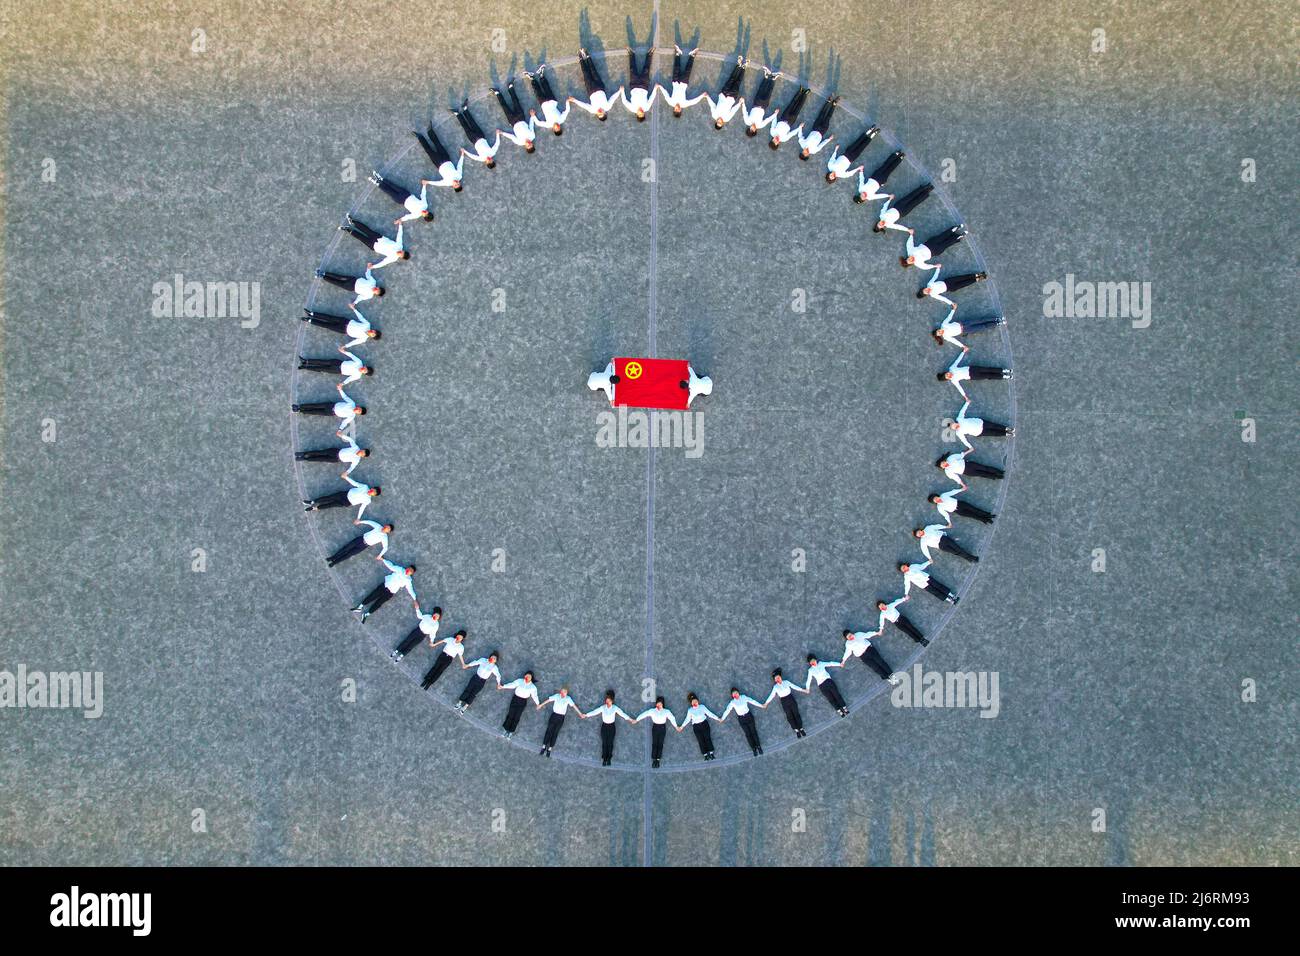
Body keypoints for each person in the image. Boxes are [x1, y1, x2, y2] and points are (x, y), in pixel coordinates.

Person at [351, 560, 415, 622]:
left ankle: (366, 614)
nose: (408, 570)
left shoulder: (408, 580)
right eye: (408, 568)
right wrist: (383, 559)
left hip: (390, 593)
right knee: (372, 595)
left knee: (378, 603)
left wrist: (414, 599)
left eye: (410, 571)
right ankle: (359, 607)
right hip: (384, 586)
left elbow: (410, 589)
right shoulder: (400, 570)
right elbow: (391, 566)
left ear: (411, 573)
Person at [583, 690, 633, 766]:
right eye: (607, 699)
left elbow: (622, 714)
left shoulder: (615, 708)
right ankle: (604, 758)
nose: (607, 701)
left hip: (611, 727)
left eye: (609, 700)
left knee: (610, 743)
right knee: (604, 742)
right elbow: (594, 712)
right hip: (604, 726)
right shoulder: (603, 707)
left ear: (612, 701)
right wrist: (586, 715)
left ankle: (609, 758)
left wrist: (630, 719)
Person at [571, 48, 622, 121]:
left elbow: (584, 105)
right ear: (605, 113)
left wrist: (574, 100)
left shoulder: (592, 110)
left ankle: (581, 58)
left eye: (599, 114)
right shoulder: (607, 107)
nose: (600, 112)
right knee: (593, 71)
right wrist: (619, 91)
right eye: (602, 113)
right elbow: (613, 98)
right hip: (599, 87)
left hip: (590, 89)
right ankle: (587, 55)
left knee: (586, 73)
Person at [939, 352, 1012, 399]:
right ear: (948, 379)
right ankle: (1004, 376)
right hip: (972, 376)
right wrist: (965, 396)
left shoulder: (952, 368)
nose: (949, 375)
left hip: (972, 369)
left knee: (987, 369)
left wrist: (963, 352)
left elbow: (957, 361)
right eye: (948, 377)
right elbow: (959, 387)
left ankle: (1004, 371)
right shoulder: (954, 380)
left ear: (946, 372)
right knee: (988, 376)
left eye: (947, 374)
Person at [657, 44, 705, 116]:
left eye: (675, 109)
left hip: (675, 82)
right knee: (688, 69)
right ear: (680, 110)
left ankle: (678, 53)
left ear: (674, 109)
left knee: (676, 68)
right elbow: (693, 101)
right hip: (683, 83)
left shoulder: (671, 102)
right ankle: (692, 55)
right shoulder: (684, 104)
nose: (677, 108)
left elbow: (665, 94)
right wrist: (702, 96)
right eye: (678, 110)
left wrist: (660, 87)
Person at [291, 382, 364, 429]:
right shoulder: (352, 404)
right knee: (315, 406)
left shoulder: (351, 416)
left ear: (358, 413)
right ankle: (299, 406)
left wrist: (340, 429)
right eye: (359, 409)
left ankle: (299, 411)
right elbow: (345, 397)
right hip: (331, 405)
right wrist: (340, 390)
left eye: (359, 411)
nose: (357, 410)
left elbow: (345, 422)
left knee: (315, 412)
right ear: (358, 406)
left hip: (331, 413)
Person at [413, 123, 464, 190]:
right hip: (446, 159)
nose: (456, 183)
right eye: (458, 183)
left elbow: (437, 183)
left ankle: (420, 137)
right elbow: (460, 166)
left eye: (456, 185)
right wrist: (462, 155)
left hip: (438, 163)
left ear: (453, 186)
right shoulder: (459, 176)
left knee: (428, 150)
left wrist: (428, 182)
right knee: (438, 144)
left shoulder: (447, 183)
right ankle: (430, 131)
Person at [302, 474, 379, 518]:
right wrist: (346, 477)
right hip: (345, 494)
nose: (372, 491)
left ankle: (314, 508)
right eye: (373, 490)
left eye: (374, 493)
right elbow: (355, 483)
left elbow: (362, 508)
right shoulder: (365, 487)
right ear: (372, 488)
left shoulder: (368, 500)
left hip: (347, 502)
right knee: (329, 497)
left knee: (330, 505)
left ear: (374, 495)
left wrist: (358, 518)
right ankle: (312, 502)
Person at [367, 171, 432, 223]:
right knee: (393, 185)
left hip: (401, 200)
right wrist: (424, 186)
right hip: (406, 194)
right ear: (428, 211)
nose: (425, 212)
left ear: (424, 216)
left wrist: (400, 220)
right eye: (427, 212)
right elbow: (423, 195)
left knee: (388, 191)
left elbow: (407, 217)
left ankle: (376, 182)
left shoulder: (416, 215)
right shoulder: (425, 205)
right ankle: (380, 178)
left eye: (425, 214)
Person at [451, 100, 501, 167]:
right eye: (491, 160)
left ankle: (457, 114)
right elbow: (497, 144)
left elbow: (472, 156)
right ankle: (465, 109)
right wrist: (498, 134)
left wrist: (464, 152)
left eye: (489, 161)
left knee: (465, 127)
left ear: (486, 163)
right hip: (481, 136)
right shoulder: (492, 152)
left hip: (473, 139)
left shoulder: (481, 158)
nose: (489, 159)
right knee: (472, 123)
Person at [301, 305, 380, 347]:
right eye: (373, 331)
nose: (371, 332)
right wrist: (354, 309)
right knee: (329, 318)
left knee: (326, 325)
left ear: (371, 336)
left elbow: (354, 342)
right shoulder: (367, 325)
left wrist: (345, 346)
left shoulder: (363, 339)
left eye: (372, 334)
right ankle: (312, 314)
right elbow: (361, 317)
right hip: (346, 321)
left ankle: (309, 320)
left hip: (343, 330)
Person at [633, 696, 680, 768]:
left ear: (662, 704)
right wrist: (637, 719)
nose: (658, 705)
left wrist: (676, 726)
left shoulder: (666, 711)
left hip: (662, 728)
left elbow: (672, 718)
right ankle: (654, 759)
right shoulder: (652, 711)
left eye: (660, 704)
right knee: (654, 743)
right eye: (657, 704)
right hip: (655, 727)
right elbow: (644, 714)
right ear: (656, 704)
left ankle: (658, 760)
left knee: (660, 743)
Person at [537, 686, 584, 757]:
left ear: (566, 693)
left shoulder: (568, 699)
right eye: (561, 692)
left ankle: (550, 749)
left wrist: (580, 713)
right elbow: (548, 700)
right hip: (554, 715)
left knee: (555, 732)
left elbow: (574, 706)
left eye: (564, 692)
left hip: (561, 717)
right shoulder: (556, 696)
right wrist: (541, 705)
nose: (562, 693)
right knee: (549, 730)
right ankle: (544, 746)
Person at [294, 430, 368, 475]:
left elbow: (352, 467)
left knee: (320, 459)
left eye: (362, 453)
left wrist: (346, 473)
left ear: (362, 456)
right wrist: (342, 435)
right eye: (362, 451)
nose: (361, 452)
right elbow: (350, 440)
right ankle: (303, 453)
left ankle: (304, 458)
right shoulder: (356, 448)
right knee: (320, 452)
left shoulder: (356, 460)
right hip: (335, 452)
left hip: (336, 459)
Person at [492, 81, 538, 151]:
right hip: (521, 117)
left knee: (505, 107)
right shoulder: (532, 136)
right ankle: (510, 87)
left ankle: (497, 93)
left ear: (526, 147)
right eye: (531, 145)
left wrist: (502, 133)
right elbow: (531, 126)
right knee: (516, 102)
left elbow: (512, 136)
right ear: (532, 144)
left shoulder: (519, 142)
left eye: (528, 146)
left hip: (513, 121)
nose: (529, 144)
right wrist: (532, 116)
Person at [764, 668, 810, 738]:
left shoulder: (786, 682)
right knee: (789, 716)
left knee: (796, 713)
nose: (777, 680)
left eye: (778, 678)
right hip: (784, 701)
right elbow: (771, 695)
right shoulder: (775, 687)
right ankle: (796, 730)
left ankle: (801, 728)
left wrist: (803, 690)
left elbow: (794, 687)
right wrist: (766, 703)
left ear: (780, 677)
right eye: (776, 679)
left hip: (791, 698)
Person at [327, 518, 391, 567]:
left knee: (349, 554)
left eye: (387, 528)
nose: (385, 528)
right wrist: (360, 522)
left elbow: (385, 547)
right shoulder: (378, 526)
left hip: (364, 546)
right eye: (386, 526)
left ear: (388, 531)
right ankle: (332, 558)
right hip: (360, 539)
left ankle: (334, 563)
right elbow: (369, 522)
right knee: (346, 548)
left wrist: (380, 555)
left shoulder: (384, 538)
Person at [719, 688, 765, 756]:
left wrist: (761, 705)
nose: (735, 694)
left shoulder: (743, 697)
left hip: (749, 716)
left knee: (754, 732)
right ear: (732, 695)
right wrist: (722, 718)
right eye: (733, 694)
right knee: (748, 734)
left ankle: (759, 747)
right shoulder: (733, 702)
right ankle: (754, 749)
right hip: (741, 719)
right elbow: (727, 710)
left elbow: (752, 701)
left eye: (736, 693)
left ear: (738, 693)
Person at [527, 65, 571, 134]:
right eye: (559, 127)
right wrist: (567, 102)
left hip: (544, 104)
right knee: (547, 88)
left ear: (553, 129)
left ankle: (532, 78)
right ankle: (541, 74)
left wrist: (533, 116)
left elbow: (538, 123)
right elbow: (567, 111)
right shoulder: (561, 119)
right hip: (552, 101)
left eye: (556, 128)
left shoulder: (548, 125)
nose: (557, 126)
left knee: (537, 91)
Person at [706, 55, 747, 128]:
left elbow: (712, 105)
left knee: (731, 79)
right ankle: (743, 67)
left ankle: (738, 65)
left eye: (718, 122)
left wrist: (707, 97)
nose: (719, 121)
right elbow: (733, 110)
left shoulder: (714, 115)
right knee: (738, 81)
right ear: (722, 123)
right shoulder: (727, 118)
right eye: (720, 123)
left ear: (716, 121)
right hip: (732, 97)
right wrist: (740, 103)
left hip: (724, 94)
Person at [933, 310, 1005, 350]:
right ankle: (997, 323)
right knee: (982, 327)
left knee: (980, 320)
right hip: (965, 330)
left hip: (963, 323)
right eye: (939, 334)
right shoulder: (946, 336)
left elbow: (948, 318)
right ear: (940, 336)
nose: (940, 332)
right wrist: (962, 346)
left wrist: (953, 310)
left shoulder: (943, 325)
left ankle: (996, 319)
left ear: (938, 329)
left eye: (938, 331)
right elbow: (954, 341)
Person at [498, 670, 540, 738]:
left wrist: (538, 704)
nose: (527, 677)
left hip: (523, 701)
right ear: (524, 676)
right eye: (526, 675)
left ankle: (511, 732)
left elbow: (534, 696)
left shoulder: (532, 687)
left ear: (531, 678)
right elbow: (512, 685)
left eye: (529, 677)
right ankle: (505, 730)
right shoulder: (520, 681)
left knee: (517, 716)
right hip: (515, 699)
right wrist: (503, 686)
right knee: (510, 714)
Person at [740, 66, 780, 137]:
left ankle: (766, 76)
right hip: (764, 106)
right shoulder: (760, 125)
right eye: (753, 130)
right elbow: (768, 120)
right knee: (768, 92)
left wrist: (743, 103)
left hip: (756, 104)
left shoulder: (747, 121)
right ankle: (773, 79)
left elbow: (744, 112)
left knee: (761, 90)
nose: (752, 128)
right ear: (755, 130)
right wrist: (775, 114)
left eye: (750, 129)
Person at [678, 693, 720, 759]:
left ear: (698, 701)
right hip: (696, 727)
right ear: (691, 703)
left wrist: (717, 718)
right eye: (693, 701)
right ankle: (705, 755)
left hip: (704, 724)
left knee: (707, 738)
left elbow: (709, 714)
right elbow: (687, 719)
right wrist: (682, 726)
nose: (695, 702)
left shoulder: (702, 707)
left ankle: (711, 753)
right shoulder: (690, 710)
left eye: (696, 701)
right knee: (700, 740)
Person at [297, 347, 370, 385]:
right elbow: (351, 355)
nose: (363, 369)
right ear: (365, 366)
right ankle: (306, 361)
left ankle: (305, 367)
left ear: (364, 373)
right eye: (365, 368)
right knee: (322, 362)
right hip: (339, 363)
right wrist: (344, 351)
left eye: (364, 371)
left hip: (337, 370)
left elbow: (350, 379)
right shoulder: (359, 362)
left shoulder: (358, 375)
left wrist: (343, 383)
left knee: (321, 368)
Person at [797, 94, 839, 159]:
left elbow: (800, 136)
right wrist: (829, 139)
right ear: (808, 155)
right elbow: (821, 145)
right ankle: (834, 104)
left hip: (815, 128)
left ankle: (828, 102)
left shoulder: (802, 143)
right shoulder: (814, 151)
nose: (805, 151)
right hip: (822, 132)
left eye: (803, 152)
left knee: (821, 115)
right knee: (828, 118)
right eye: (805, 154)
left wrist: (800, 127)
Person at [768, 83, 809, 148]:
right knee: (798, 107)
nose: (776, 140)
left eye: (774, 140)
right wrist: (799, 127)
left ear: (772, 139)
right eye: (776, 142)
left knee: (792, 104)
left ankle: (800, 92)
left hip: (783, 118)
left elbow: (774, 123)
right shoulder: (784, 139)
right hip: (790, 122)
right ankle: (805, 94)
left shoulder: (772, 132)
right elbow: (792, 133)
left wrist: (775, 114)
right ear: (778, 143)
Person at [919, 271, 989, 307]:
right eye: (926, 292)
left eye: (925, 290)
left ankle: (978, 274)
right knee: (965, 283)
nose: (927, 291)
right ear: (927, 294)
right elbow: (943, 298)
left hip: (948, 281)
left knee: (963, 277)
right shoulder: (933, 294)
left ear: (924, 288)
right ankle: (979, 278)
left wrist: (937, 268)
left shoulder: (929, 284)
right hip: (950, 288)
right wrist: (951, 303)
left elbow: (934, 277)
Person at [914, 523, 979, 563]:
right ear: (918, 537)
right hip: (940, 546)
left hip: (943, 538)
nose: (919, 534)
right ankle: (969, 558)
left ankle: (972, 558)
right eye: (918, 535)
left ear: (920, 530)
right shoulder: (923, 541)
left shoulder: (928, 528)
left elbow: (936, 526)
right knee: (955, 552)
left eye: (918, 532)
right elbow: (924, 549)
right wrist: (929, 558)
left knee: (958, 548)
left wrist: (946, 526)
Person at [316, 267, 383, 303]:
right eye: (378, 289)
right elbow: (368, 275)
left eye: (377, 291)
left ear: (376, 294)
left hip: (351, 287)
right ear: (378, 287)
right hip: (353, 280)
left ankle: (322, 276)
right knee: (339, 277)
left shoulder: (369, 295)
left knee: (337, 283)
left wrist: (354, 303)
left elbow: (360, 297)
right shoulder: (373, 282)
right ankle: (323, 273)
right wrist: (368, 268)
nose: (376, 289)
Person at [621, 46, 655, 120]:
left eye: (639, 114)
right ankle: (650, 54)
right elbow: (652, 98)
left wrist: (622, 91)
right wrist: (655, 88)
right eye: (642, 113)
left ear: (637, 114)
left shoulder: (632, 108)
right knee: (646, 69)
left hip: (634, 85)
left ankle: (631, 54)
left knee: (632, 69)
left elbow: (624, 101)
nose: (641, 112)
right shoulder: (646, 107)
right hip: (644, 85)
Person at [931, 488, 995, 526]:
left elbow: (952, 492)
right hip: (958, 511)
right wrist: (949, 522)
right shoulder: (939, 507)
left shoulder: (943, 495)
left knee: (974, 509)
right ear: (935, 502)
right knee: (973, 515)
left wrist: (961, 489)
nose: (937, 499)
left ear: (938, 496)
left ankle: (988, 515)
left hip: (960, 504)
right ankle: (985, 520)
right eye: (935, 500)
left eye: (936, 498)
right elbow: (945, 515)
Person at [938, 450, 1005, 485]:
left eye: (943, 463)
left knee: (984, 468)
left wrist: (969, 450)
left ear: (944, 461)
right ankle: (996, 476)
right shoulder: (948, 471)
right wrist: (962, 484)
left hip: (968, 464)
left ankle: (999, 471)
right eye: (943, 466)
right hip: (967, 472)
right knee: (982, 474)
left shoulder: (950, 458)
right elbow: (955, 478)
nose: (944, 465)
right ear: (943, 468)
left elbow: (961, 455)